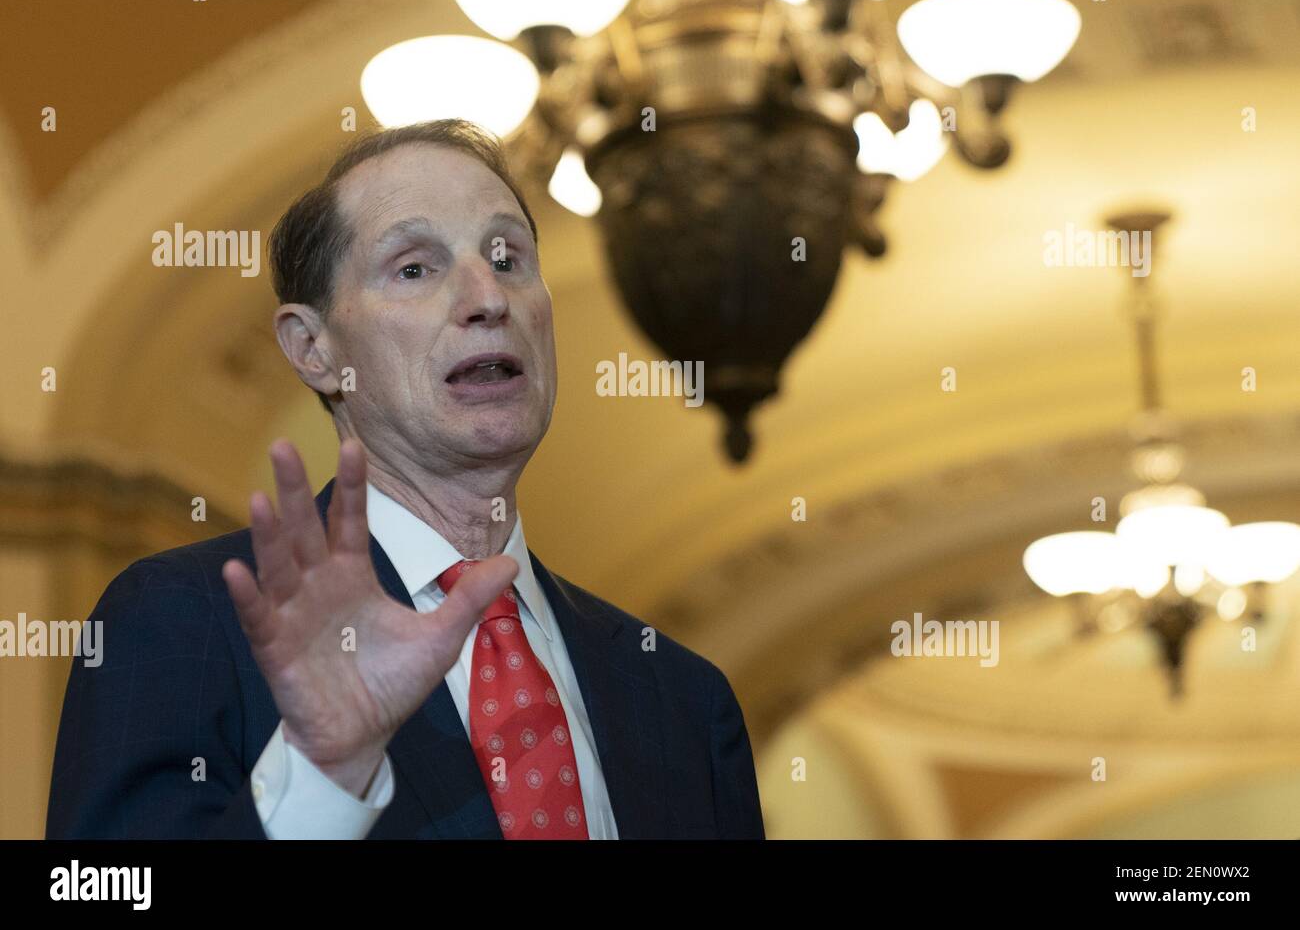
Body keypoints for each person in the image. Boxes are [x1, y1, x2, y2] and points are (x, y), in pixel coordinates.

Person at [45, 119, 765, 840]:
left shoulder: (683, 700)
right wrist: (322, 778)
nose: (489, 296)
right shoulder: (181, 621)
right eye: (415, 268)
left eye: (509, 256)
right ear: (313, 348)